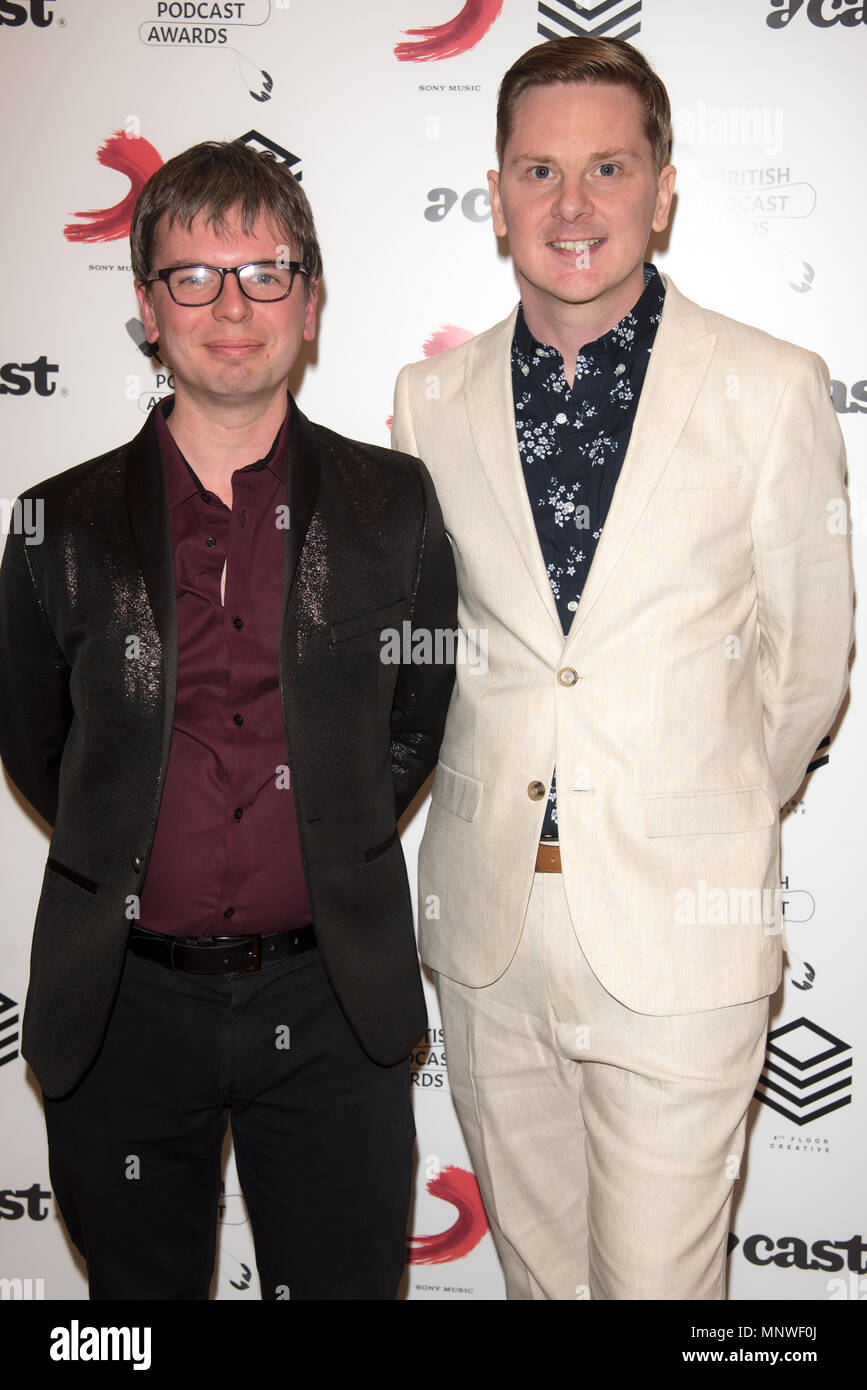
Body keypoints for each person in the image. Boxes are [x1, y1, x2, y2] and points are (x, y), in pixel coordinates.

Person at [392, 36, 854, 1300]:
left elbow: (808, 668)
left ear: (662, 191)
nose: (573, 205)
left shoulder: (771, 387)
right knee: (542, 1287)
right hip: (490, 929)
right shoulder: (428, 399)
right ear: (495, 197)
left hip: (679, 935)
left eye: (607, 167)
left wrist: (696, 806)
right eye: (538, 170)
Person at [0, 139, 457, 1300]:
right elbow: (38, 743)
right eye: (193, 278)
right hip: (123, 1004)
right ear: (148, 310)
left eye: (264, 271)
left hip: (332, 998)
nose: (232, 306)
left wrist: (332, 832)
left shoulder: (392, 505)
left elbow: (416, 716)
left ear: (310, 299)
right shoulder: (58, 522)